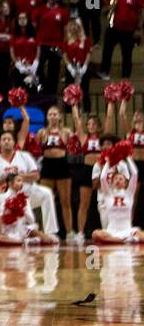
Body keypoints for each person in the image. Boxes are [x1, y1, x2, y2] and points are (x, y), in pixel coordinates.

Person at [0, 130, 56, 235]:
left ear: (14, 142)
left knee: (47, 193)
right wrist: (6, 178)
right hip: (7, 196)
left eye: (9, 139)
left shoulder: (24, 156)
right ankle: (8, 234)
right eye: (3, 139)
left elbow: (36, 175)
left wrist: (19, 175)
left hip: (27, 192)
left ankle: (51, 232)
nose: (6, 142)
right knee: (10, 223)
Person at [70, 100, 115, 247]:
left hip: (103, 171)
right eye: (89, 124)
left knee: (106, 202)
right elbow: (76, 121)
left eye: (95, 123)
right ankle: (81, 233)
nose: (92, 126)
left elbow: (109, 119)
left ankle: (111, 230)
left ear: (99, 125)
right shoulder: (84, 138)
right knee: (84, 204)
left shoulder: (104, 138)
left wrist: (110, 102)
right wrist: (73, 103)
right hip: (87, 170)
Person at [0, 177, 60, 246]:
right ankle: (25, 242)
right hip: (7, 232)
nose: (21, 183)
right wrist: (4, 213)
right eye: (18, 181)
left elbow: (31, 220)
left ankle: (22, 242)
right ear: (10, 183)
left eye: (22, 181)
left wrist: (23, 210)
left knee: (50, 240)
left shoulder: (24, 199)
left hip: (22, 230)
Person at [37, 105, 73, 240]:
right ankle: (47, 232)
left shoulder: (66, 132)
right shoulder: (42, 133)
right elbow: (35, 149)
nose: (52, 117)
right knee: (46, 200)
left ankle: (69, 232)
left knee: (65, 201)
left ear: (59, 117)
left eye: (55, 114)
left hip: (62, 165)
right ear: (47, 117)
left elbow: (74, 146)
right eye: (50, 114)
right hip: (47, 166)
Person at [90, 155, 140, 244]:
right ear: (112, 182)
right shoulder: (108, 195)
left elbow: (135, 174)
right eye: (116, 178)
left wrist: (128, 158)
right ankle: (123, 240)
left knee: (141, 234)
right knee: (95, 234)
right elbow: (102, 178)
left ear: (125, 183)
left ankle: (120, 240)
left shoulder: (129, 194)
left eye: (121, 179)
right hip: (111, 231)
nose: (118, 180)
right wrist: (108, 162)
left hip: (127, 230)